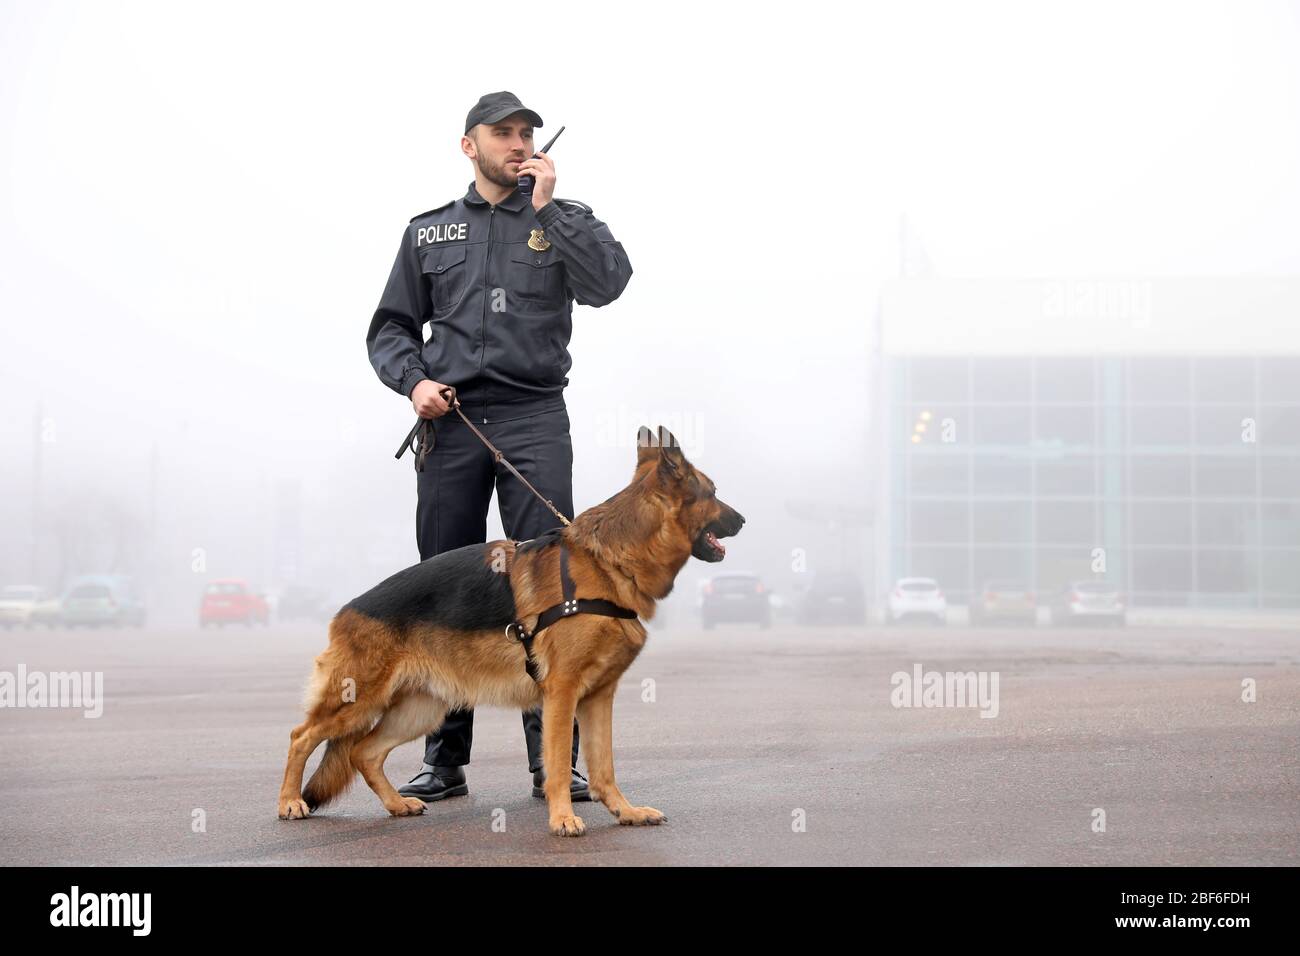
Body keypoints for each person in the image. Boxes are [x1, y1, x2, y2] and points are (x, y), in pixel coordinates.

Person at [365, 91, 633, 803]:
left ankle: (554, 764)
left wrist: (549, 208)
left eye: (526, 134)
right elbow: (390, 328)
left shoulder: (565, 220)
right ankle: (444, 761)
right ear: (469, 145)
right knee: (446, 586)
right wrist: (413, 381)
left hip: (533, 416)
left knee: (552, 586)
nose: (517, 144)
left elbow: (610, 283)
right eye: (502, 133)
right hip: (450, 422)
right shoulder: (428, 234)